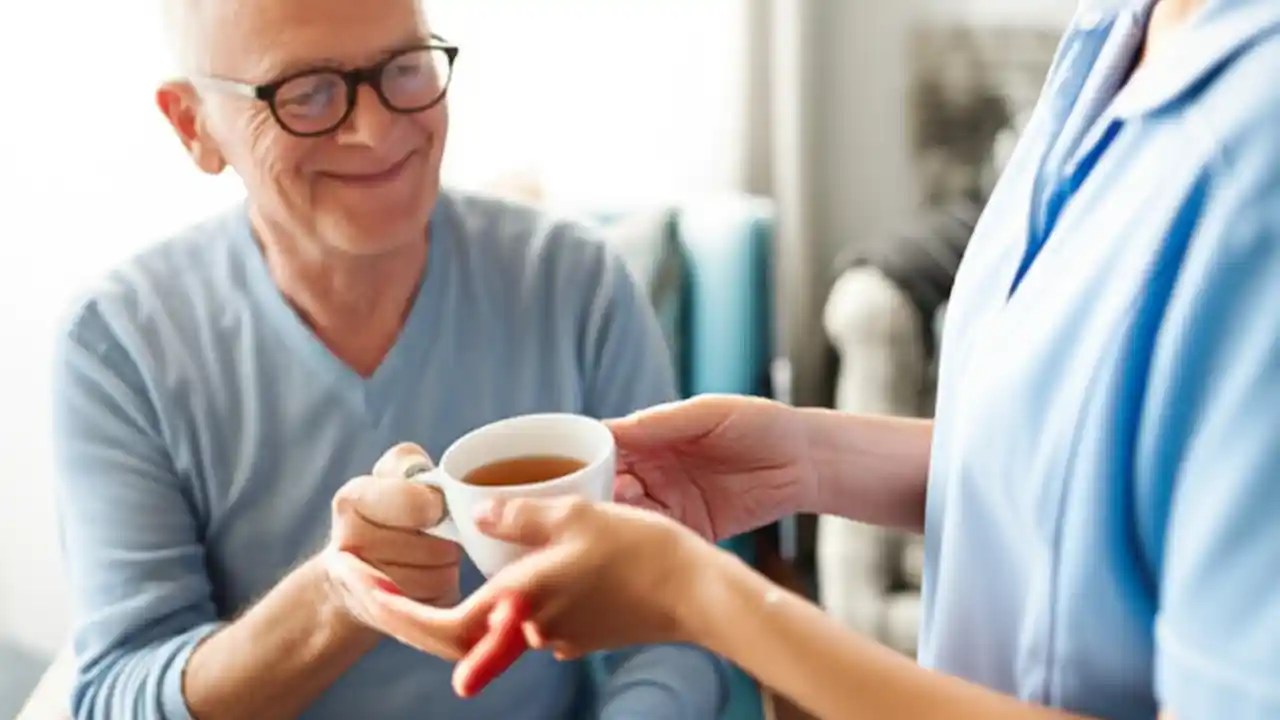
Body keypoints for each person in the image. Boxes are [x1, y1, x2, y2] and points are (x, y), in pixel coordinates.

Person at [360, 0, 1280, 718]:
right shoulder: (1119, 34)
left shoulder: (1256, 158)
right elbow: (1105, 475)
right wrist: (806, 459)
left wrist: (703, 601)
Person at [49, 0, 726, 718]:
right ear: (194, 125)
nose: (376, 130)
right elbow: (116, 695)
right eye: (306, 93)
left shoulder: (575, 284)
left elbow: (673, 625)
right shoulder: (118, 346)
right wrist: (335, 602)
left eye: (404, 69)